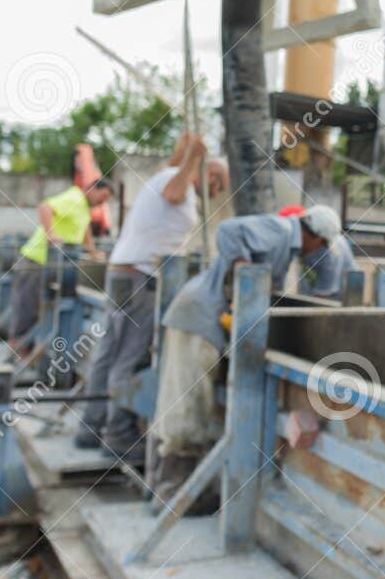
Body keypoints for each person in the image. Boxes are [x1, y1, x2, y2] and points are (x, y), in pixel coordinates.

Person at [148, 204, 346, 505]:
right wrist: (243, 266)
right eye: (320, 246)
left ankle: (169, 488)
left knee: (187, 402)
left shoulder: (287, 246)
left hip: (204, 319)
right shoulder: (281, 231)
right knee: (186, 406)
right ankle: (172, 494)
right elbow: (229, 229)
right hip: (200, 317)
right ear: (315, 237)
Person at [75, 133, 228, 458]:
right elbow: (174, 191)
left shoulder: (165, 176)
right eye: (218, 185)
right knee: (129, 357)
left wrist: (184, 155)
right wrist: (193, 158)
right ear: (210, 174)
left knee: (108, 355)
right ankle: (118, 439)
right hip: (140, 280)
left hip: (123, 272)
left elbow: (171, 177)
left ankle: (90, 428)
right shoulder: (179, 185)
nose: (216, 194)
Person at [8, 175, 111, 354]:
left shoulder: (84, 208)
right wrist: (51, 234)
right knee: (27, 304)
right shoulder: (75, 198)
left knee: (41, 304)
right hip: (38, 259)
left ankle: (31, 348)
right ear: (92, 189)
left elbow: (84, 229)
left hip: (53, 263)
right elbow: (45, 207)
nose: (103, 202)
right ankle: (19, 348)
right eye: (103, 196)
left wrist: (93, 252)